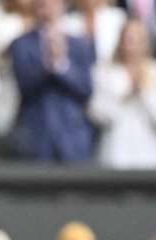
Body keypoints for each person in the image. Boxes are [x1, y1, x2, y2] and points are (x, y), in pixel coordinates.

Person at [8, 0, 95, 161]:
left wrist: (61, 65)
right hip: (36, 137)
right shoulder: (20, 44)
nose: (45, 3)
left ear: (63, 5)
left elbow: (86, 89)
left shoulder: (79, 44)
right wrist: (49, 64)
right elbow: (24, 85)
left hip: (73, 138)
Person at [87, 18, 156, 169]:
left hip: (150, 155)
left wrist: (145, 90)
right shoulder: (104, 71)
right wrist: (125, 94)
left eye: (138, 39)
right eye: (128, 38)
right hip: (115, 153)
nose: (132, 44)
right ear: (120, 41)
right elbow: (97, 114)